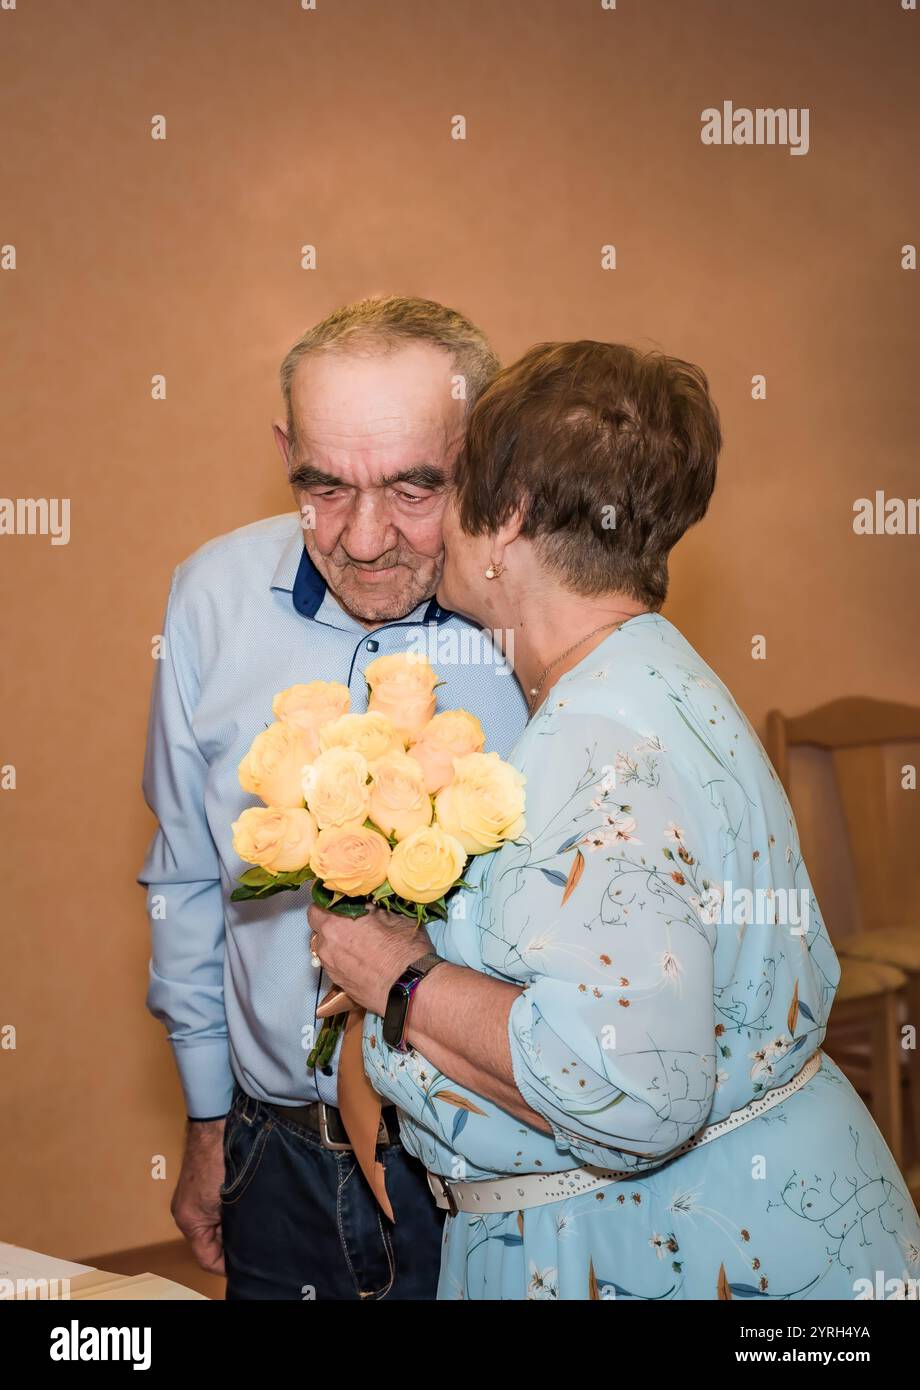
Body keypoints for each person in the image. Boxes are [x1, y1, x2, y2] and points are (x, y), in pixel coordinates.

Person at [310, 339, 920, 1300]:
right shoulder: (646, 674)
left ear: (505, 518)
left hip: (681, 1249)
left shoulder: (598, 741)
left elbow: (633, 1094)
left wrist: (398, 975)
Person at [137, 295, 528, 1299]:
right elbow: (185, 874)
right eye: (322, 485)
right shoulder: (208, 599)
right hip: (276, 1159)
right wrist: (207, 1117)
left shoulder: (542, 623)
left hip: (491, 1170)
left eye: (411, 487)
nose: (361, 539)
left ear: (481, 457)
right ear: (284, 451)